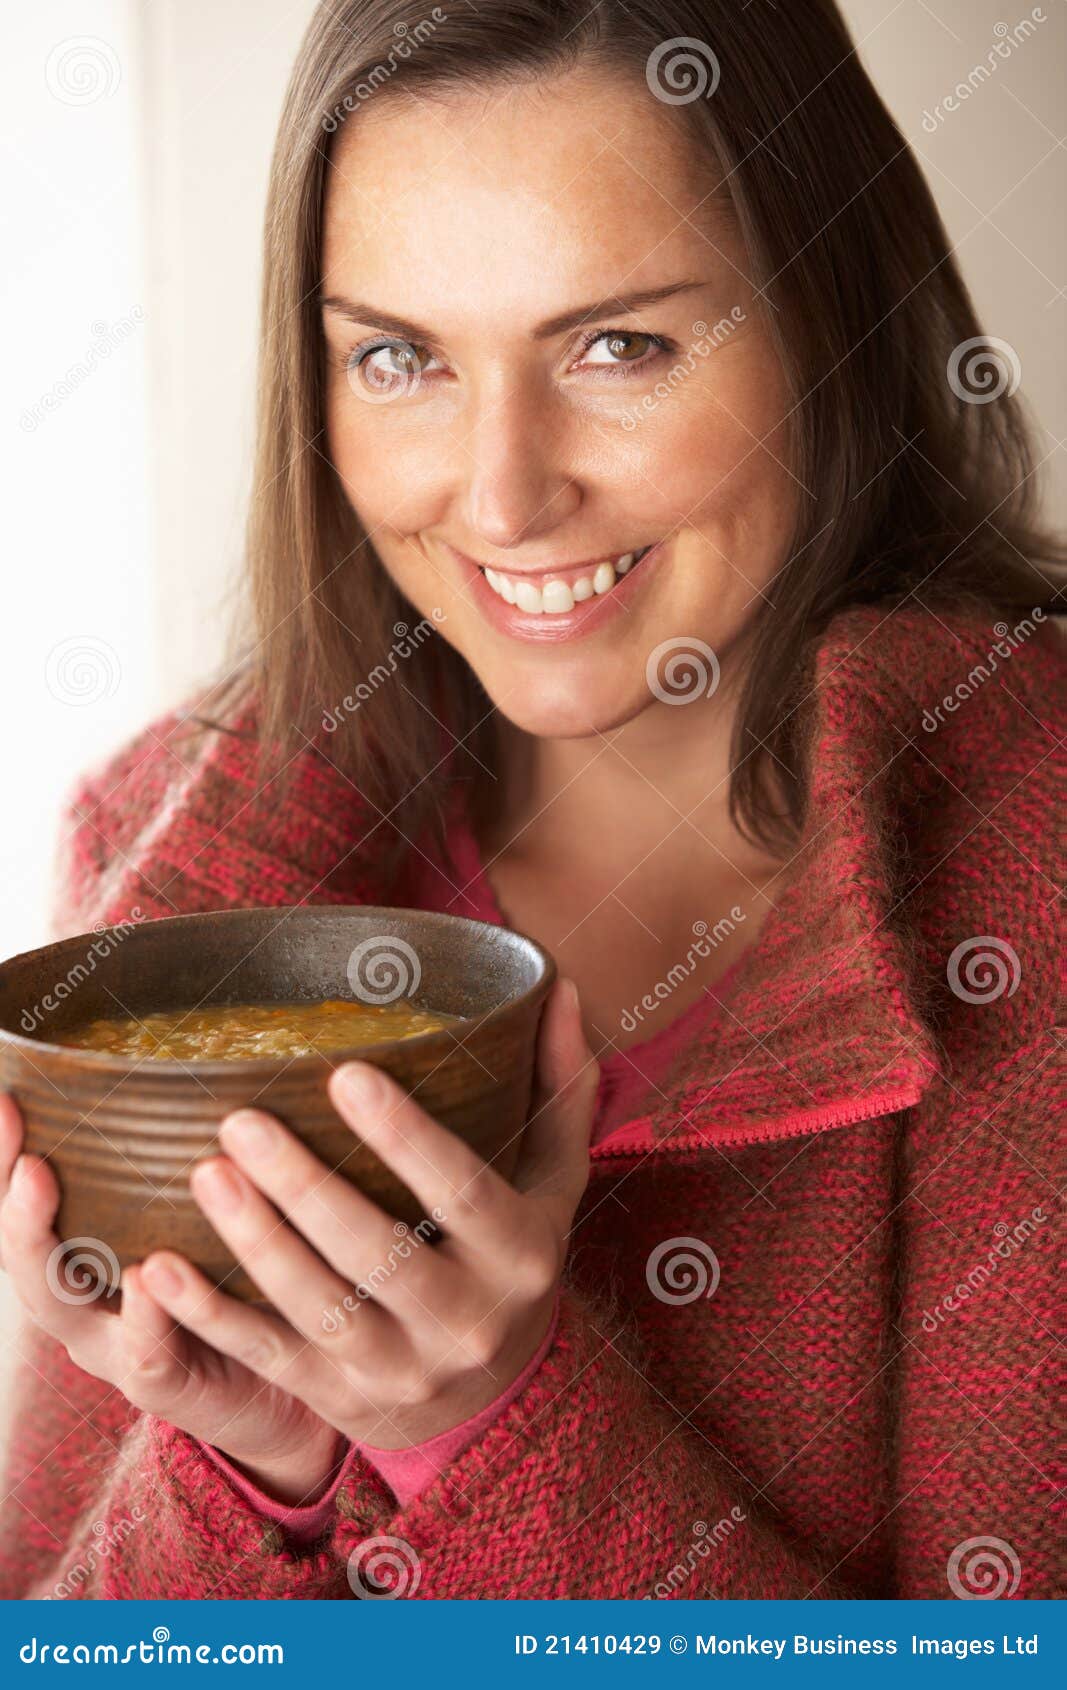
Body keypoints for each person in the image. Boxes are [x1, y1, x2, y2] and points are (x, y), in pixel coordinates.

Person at [0, 0, 1061, 1601]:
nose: (501, 495)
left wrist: (485, 1428)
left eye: (618, 347)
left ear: (833, 316)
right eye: (399, 357)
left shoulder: (1034, 863)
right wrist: (262, 1462)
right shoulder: (157, 848)